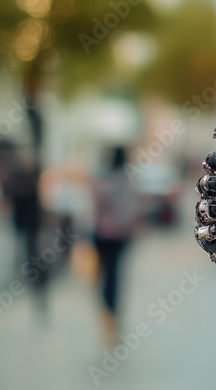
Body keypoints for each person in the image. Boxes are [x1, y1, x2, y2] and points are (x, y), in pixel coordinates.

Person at [91, 146, 140, 344]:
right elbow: (130, 210)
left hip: (101, 234)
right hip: (120, 236)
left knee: (104, 276)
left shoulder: (102, 178)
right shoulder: (125, 180)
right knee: (114, 276)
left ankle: (108, 317)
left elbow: (93, 207)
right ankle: (112, 318)